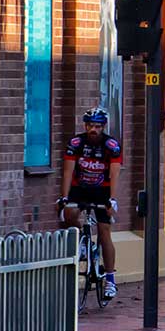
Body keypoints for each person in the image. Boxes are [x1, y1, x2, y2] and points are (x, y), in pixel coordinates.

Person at [60, 107, 123, 302]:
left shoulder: (111, 145)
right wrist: (64, 197)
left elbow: (114, 174)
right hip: (81, 188)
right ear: (85, 126)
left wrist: (112, 198)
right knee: (69, 214)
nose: (93, 130)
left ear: (103, 127)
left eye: (97, 126)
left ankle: (110, 279)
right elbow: (68, 172)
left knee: (104, 231)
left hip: (102, 190)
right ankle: (83, 243)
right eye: (90, 126)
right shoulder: (76, 143)